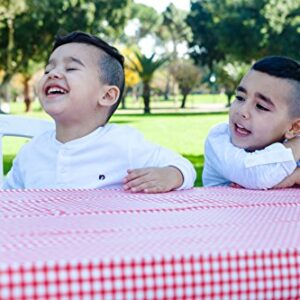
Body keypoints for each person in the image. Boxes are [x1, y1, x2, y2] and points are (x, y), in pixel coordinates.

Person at [4, 31, 196, 192]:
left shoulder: (124, 143)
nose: (53, 74)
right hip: (43, 235)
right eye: (48, 70)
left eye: (71, 68)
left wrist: (170, 176)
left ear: (107, 96)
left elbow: (185, 167)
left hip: (108, 235)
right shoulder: (30, 153)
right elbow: (8, 197)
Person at [202, 56, 300, 189]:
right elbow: (256, 175)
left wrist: (296, 175)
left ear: (294, 128)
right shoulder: (219, 140)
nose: (243, 111)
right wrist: (296, 147)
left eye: (261, 106)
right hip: (225, 208)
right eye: (240, 98)